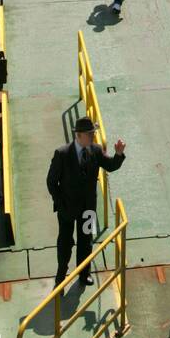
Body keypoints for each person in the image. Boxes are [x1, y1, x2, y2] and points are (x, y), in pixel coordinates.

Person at [46, 117, 126, 288]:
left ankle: (84, 273)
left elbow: (110, 165)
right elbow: (51, 182)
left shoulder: (96, 150)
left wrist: (118, 154)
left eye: (93, 133)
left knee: (86, 241)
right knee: (65, 243)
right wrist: (60, 203)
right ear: (79, 135)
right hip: (67, 209)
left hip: (88, 208)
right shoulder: (62, 154)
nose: (93, 137)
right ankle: (61, 277)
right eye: (90, 134)